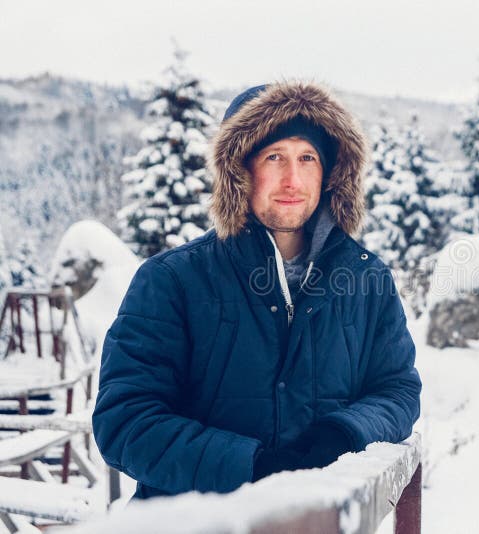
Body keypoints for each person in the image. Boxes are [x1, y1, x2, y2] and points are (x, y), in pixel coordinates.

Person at [93, 81, 422, 499]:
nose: (292, 179)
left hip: (315, 525)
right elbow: (126, 422)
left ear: (332, 173)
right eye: (274, 157)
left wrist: (344, 433)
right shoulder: (171, 280)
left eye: (307, 158)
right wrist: (251, 466)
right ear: (239, 170)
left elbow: (397, 390)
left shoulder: (368, 281)